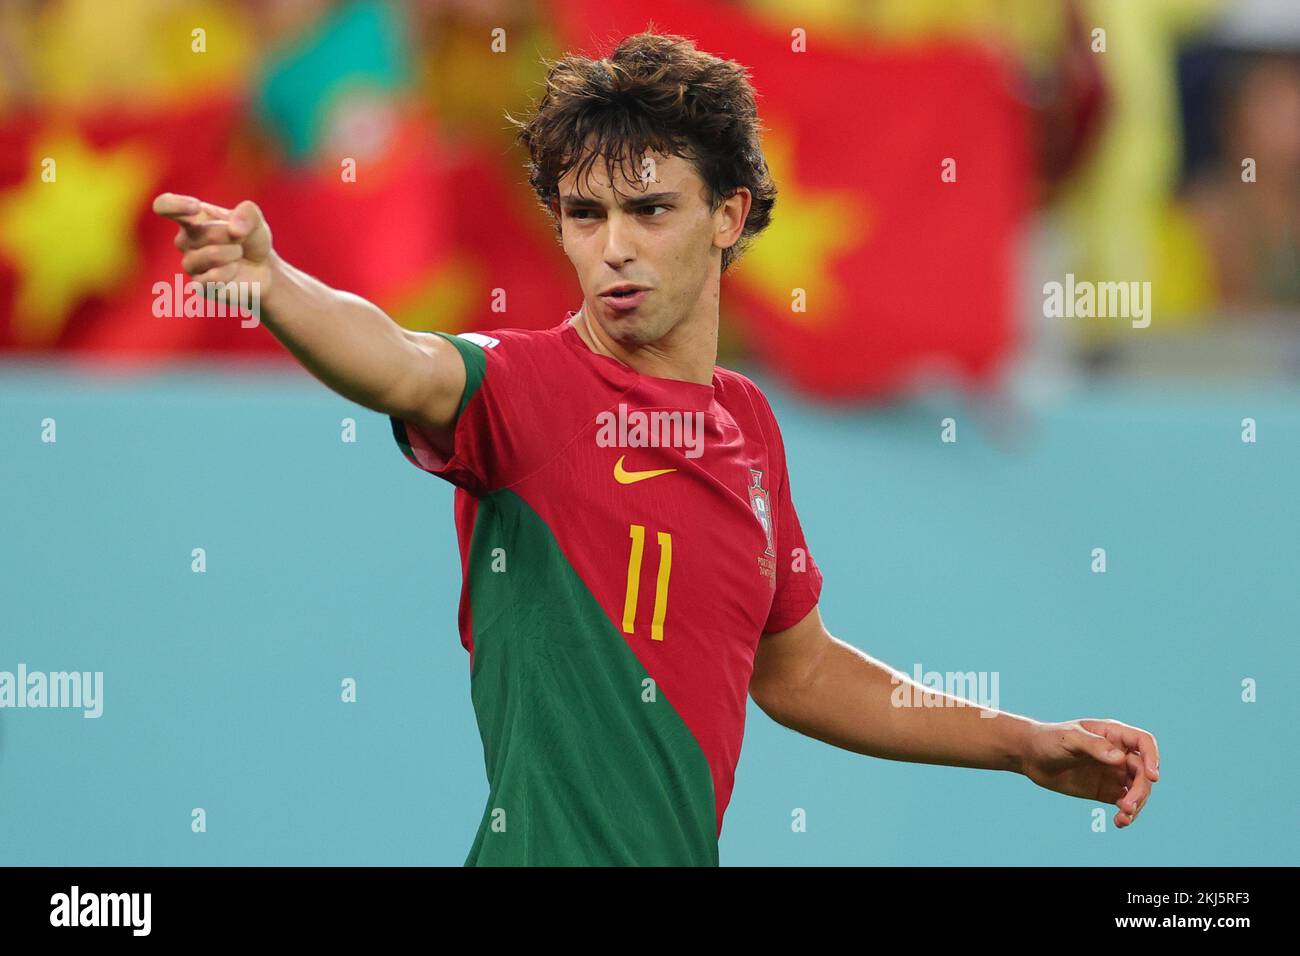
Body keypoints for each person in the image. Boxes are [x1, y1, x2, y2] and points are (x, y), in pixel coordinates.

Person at [153, 30, 1159, 866]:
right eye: (583, 214)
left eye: (648, 209)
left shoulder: (749, 427)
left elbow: (799, 669)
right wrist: (274, 282)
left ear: (728, 217)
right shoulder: (523, 389)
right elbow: (402, 363)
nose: (614, 245)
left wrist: (1020, 739)